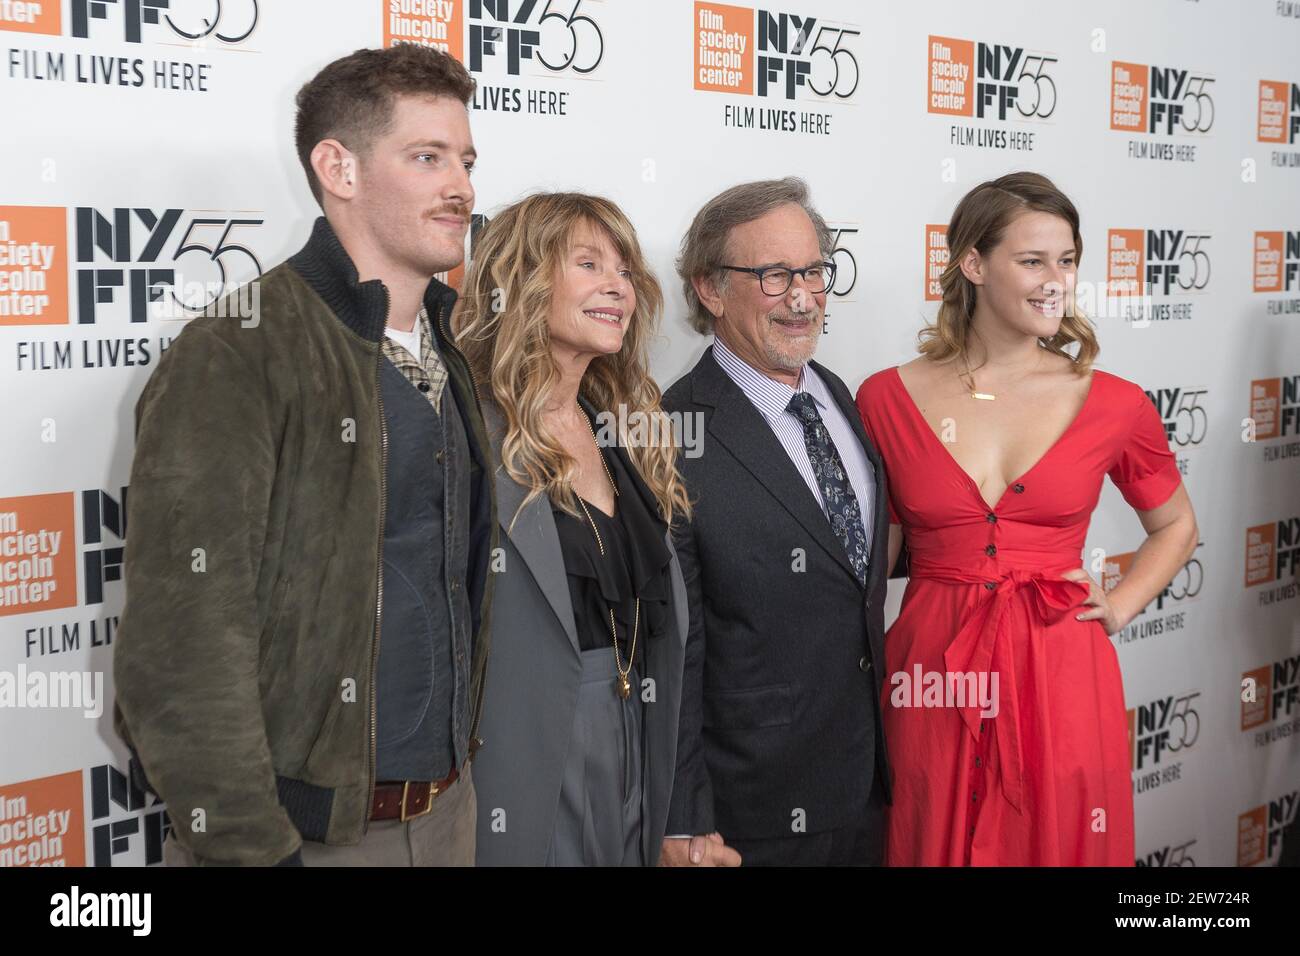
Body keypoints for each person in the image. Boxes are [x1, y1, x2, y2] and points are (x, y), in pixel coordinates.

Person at [112, 44, 497, 866]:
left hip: (449, 813)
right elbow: (181, 643)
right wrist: (255, 848)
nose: (460, 186)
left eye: (464, 159)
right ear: (339, 168)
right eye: (426, 157)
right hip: (305, 840)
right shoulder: (238, 349)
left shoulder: (449, 348)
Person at [855, 171, 1199, 866]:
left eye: (1067, 260)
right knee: (926, 836)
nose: (1056, 280)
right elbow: (872, 555)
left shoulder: (1116, 404)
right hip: (932, 671)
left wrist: (1123, 603)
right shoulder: (886, 397)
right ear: (973, 265)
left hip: (1060, 667)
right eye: (1033, 260)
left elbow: (1176, 525)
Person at [454, 193, 692, 865]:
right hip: (528, 740)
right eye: (589, 265)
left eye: (624, 269)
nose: (617, 286)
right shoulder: (469, 427)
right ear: (523, 281)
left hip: (637, 729)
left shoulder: (620, 423)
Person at [660, 178, 892, 867]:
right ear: (709, 288)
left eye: (815, 270)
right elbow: (676, 647)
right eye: (773, 275)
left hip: (867, 787)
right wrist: (681, 817)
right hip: (749, 814)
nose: (802, 296)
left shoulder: (839, 396)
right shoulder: (674, 432)